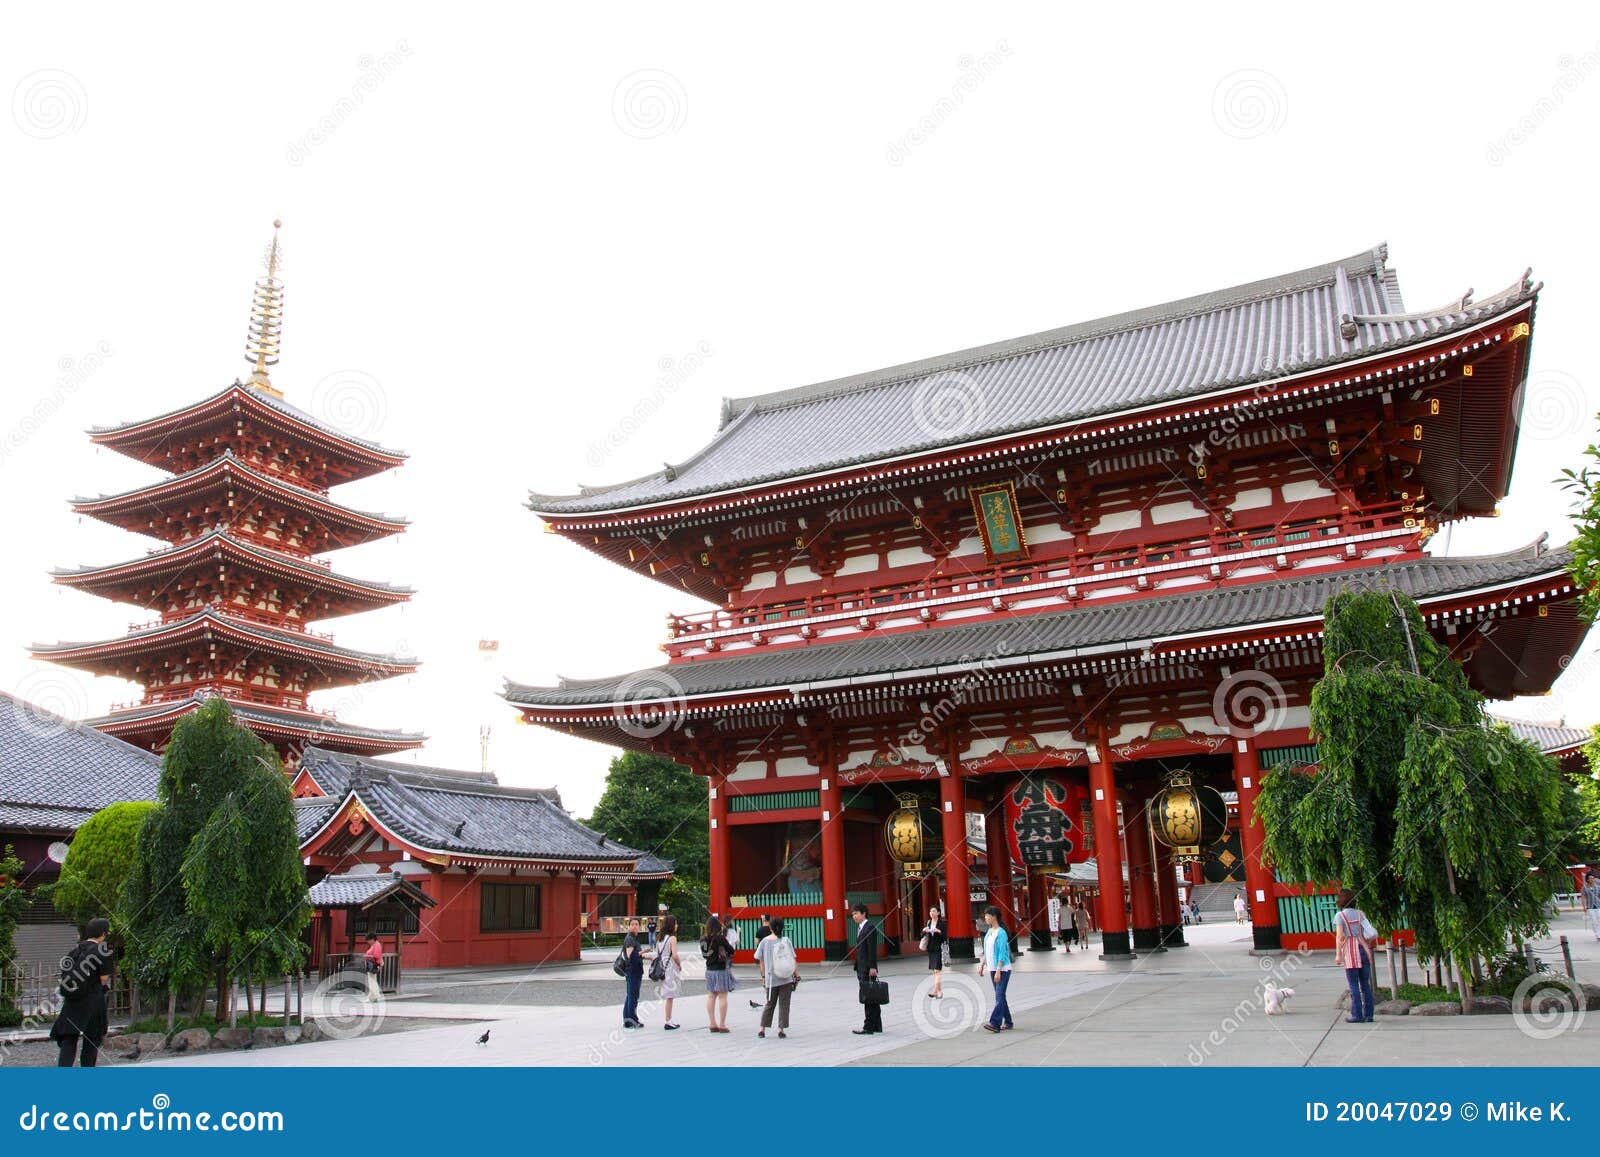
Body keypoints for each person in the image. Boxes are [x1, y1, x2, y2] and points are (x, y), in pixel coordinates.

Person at [51, 917, 113, 1067]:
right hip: (93, 1000)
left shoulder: (74, 951)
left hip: (72, 1000)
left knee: (69, 1038)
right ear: (103, 933)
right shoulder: (102, 951)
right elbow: (103, 979)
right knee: (92, 1039)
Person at [1333, 888, 1378, 1023]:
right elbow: (1369, 931)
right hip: (1363, 949)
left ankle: (1357, 1015)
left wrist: (1338, 955)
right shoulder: (1360, 914)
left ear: (1341, 901)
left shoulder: (1340, 916)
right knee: (1365, 984)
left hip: (1350, 951)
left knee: (1353, 985)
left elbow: (1340, 937)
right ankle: (1369, 1015)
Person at [754, 915, 801, 1037]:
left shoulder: (764, 942)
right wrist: (797, 975)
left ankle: (762, 1029)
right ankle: (781, 1030)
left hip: (771, 979)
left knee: (770, 1004)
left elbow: (761, 960)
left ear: (770, 928)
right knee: (784, 1004)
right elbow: (793, 959)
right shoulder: (786, 941)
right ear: (782, 928)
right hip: (786, 977)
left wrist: (763, 977)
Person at [979, 905, 1013, 1032]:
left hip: (1002, 969)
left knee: (999, 996)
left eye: (987, 915)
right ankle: (1008, 1021)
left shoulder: (1001, 933)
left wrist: (998, 970)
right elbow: (987, 951)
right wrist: (982, 964)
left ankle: (994, 1023)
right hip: (992, 968)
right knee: (1001, 996)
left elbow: (1002, 953)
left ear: (994, 917)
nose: (985, 918)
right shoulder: (989, 931)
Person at [850, 901, 882, 1035]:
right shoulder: (861, 928)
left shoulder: (869, 928)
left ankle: (868, 1026)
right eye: (853, 914)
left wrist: (873, 967)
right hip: (861, 967)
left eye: (856, 913)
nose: (854, 916)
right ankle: (877, 1025)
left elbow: (872, 950)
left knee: (868, 997)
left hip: (868, 968)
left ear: (864, 914)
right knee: (872, 996)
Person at [702, 915, 735, 1032]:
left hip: (709, 970)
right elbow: (731, 950)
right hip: (720, 970)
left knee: (711, 996)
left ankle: (712, 1023)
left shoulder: (703, 939)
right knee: (722, 996)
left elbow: (705, 955)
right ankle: (722, 1024)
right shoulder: (720, 938)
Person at [655, 914, 683, 1030]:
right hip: (671, 969)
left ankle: (668, 1019)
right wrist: (679, 964)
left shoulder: (659, 939)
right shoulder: (672, 938)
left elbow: (657, 955)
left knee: (668, 996)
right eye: (675, 923)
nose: (677, 925)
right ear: (671, 925)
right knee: (670, 997)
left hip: (663, 968)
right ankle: (668, 1021)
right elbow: (675, 955)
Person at [621, 916, 646, 1028]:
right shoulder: (630, 939)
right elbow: (630, 956)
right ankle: (632, 1020)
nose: (635, 926)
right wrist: (643, 952)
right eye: (632, 924)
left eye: (636, 924)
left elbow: (635, 956)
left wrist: (647, 957)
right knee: (633, 997)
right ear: (629, 926)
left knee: (630, 995)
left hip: (633, 970)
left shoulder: (633, 938)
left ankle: (627, 1020)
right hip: (633, 971)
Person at [921, 904, 947, 996]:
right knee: (934, 971)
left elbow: (944, 937)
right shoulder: (928, 923)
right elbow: (922, 935)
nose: (932, 913)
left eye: (934, 911)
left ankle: (936, 991)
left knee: (937, 970)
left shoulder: (942, 923)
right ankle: (938, 991)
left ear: (938, 913)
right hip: (931, 949)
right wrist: (924, 931)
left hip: (938, 948)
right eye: (931, 911)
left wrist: (938, 931)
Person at [362, 932, 384, 1002]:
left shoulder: (376, 945)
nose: (368, 942)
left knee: (372, 981)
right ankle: (373, 997)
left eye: (368, 940)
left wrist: (366, 956)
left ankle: (375, 996)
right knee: (372, 981)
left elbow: (376, 956)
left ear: (372, 939)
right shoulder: (375, 945)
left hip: (373, 964)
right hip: (372, 964)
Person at [1583, 873, 1600, 941]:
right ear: (1587, 879)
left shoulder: (1598, 887)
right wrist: (1584, 906)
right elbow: (1583, 898)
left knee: (1599, 920)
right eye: (1590, 878)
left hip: (1598, 905)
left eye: (1593, 878)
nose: (1592, 879)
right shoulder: (1584, 888)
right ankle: (1598, 935)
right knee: (1594, 921)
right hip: (1590, 907)